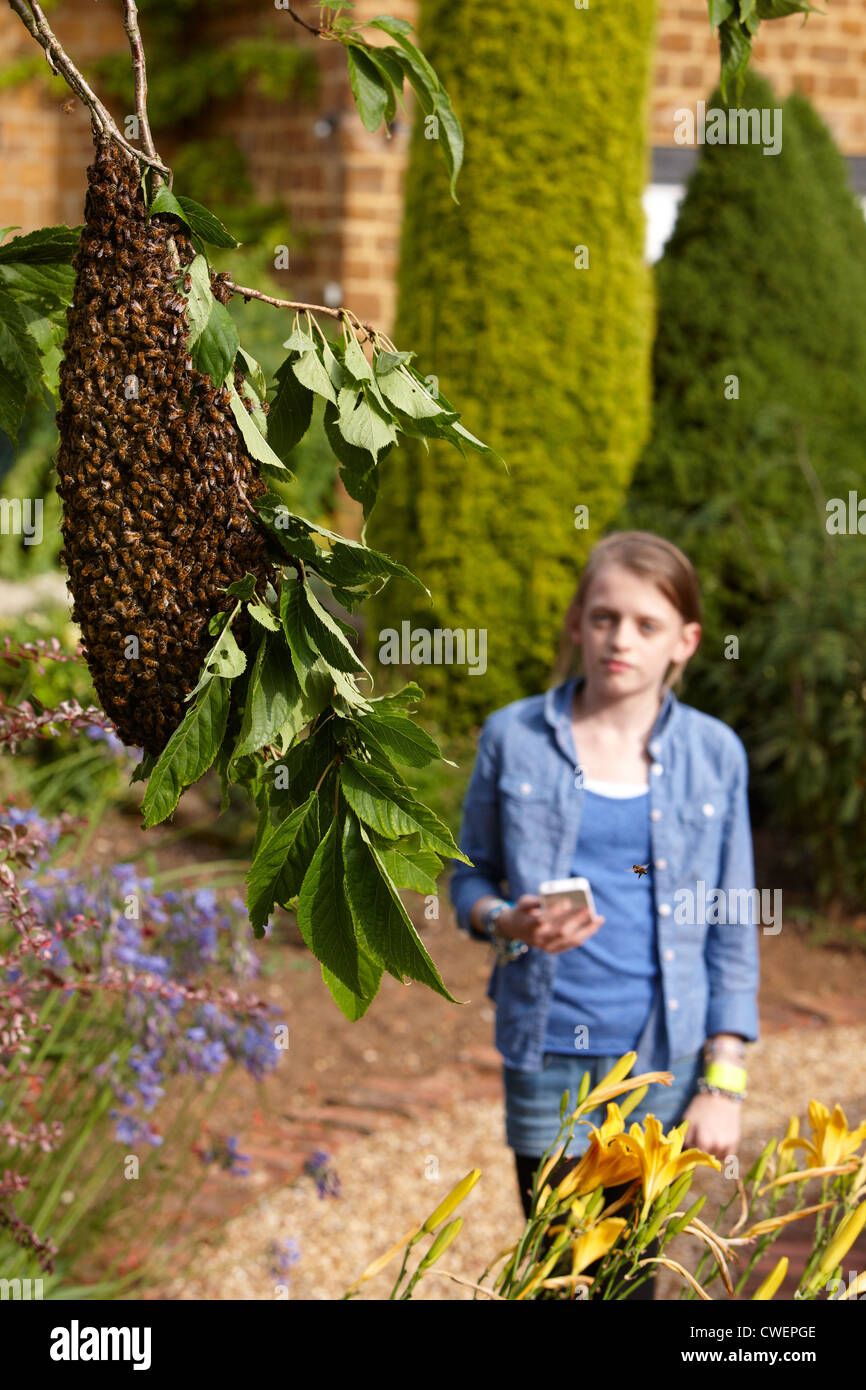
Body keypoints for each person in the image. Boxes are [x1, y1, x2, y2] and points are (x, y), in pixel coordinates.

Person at [449, 531, 760, 1301]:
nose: (621, 639)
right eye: (604, 618)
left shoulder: (716, 755)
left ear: (686, 641)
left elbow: (732, 924)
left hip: (664, 1064)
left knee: (633, 1281)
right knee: (558, 1277)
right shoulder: (513, 738)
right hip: (546, 1049)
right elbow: (467, 878)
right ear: (578, 623)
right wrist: (503, 921)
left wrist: (723, 1082)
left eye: (647, 625)